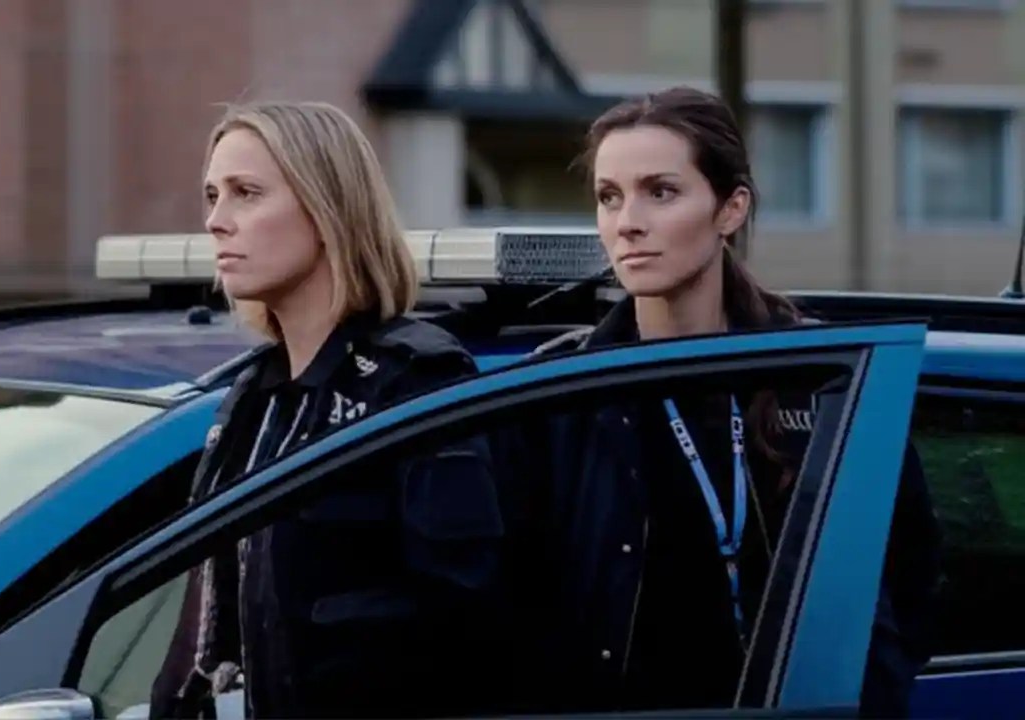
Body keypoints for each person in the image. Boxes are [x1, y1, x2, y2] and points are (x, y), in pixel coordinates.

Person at [513, 87, 940, 716]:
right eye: (609, 196)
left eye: (660, 192)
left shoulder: (819, 375)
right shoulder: (562, 391)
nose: (627, 220)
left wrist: (875, 685)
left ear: (730, 209)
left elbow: (909, 570)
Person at [147, 101, 508, 719]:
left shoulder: (413, 382)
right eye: (212, 195)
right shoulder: (252, 397)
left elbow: (463, 622)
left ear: (326, 209)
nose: (215, 220)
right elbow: (204, 625)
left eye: (246, 193)